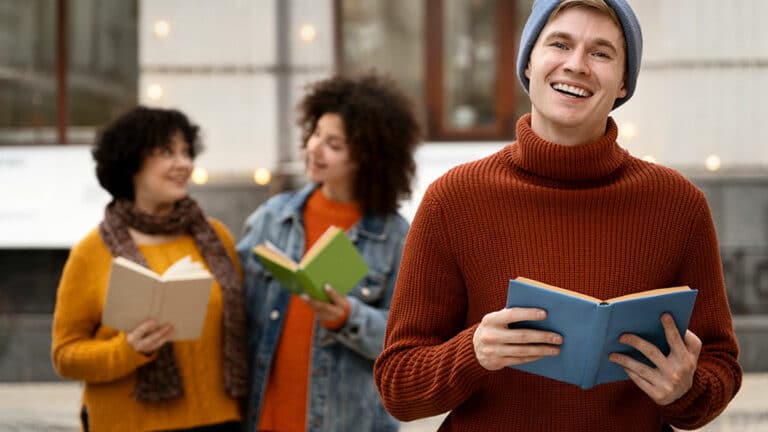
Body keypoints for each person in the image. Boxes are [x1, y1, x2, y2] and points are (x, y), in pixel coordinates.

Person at [373, 0, 742, 430]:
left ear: (623, 82)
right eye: (560, 44)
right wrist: (473, 352)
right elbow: (398, 387)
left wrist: (687, 390)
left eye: (601, 52)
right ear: (529, 62)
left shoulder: (679, 206)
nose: (577, 65)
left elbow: (722, 366)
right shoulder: (452, 200)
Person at [237, 74, 419, 431]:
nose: (315, 149)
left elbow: (406, 343)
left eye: (334, 145)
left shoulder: (394, 237)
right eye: (316, 134)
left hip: (348, 421)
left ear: (367, 159)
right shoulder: (273, 218)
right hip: (264, 415)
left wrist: (347, 316)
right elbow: (236, 309)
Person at [51, 106, 248, 431]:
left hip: (220, 419)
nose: (183, 163)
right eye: (167, 152)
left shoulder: (216, 238)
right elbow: (65, 355)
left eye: (187, 152)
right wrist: (127, 350)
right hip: (128, 423)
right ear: (132, 163)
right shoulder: (92, 252)